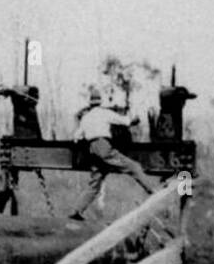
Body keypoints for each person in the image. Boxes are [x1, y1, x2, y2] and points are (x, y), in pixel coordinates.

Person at [68, 86, 159, 220]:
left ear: (90, 103)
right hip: (103, 147)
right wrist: (135, 120)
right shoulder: (104, 113)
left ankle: (77, 211)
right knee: (134, 167)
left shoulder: (86, 117)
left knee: (95, 183)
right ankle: (154, 192)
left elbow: (77, 136)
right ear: (100, 102)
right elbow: (126, 121)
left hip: (92, 150)